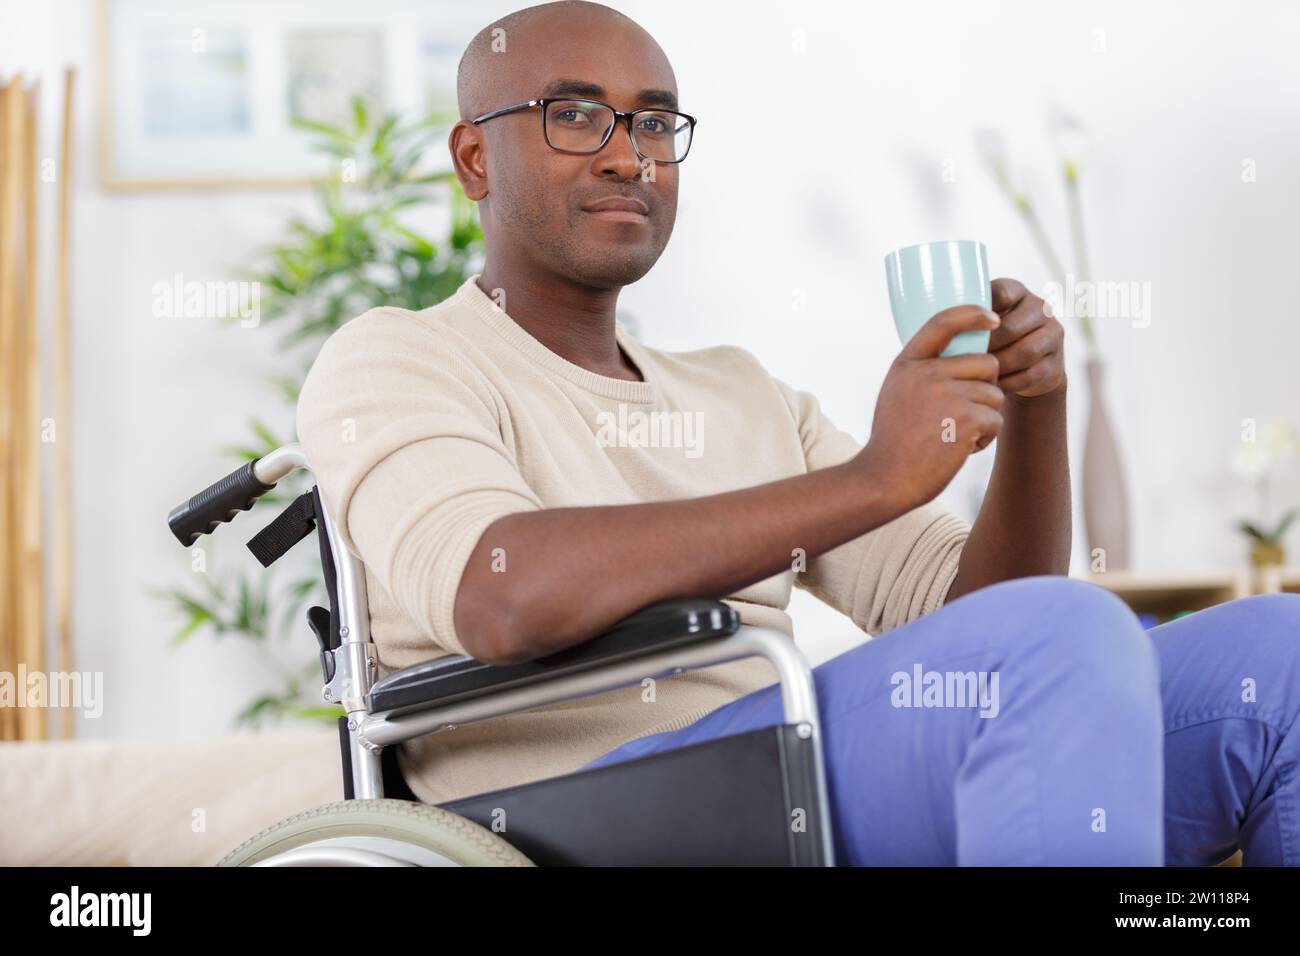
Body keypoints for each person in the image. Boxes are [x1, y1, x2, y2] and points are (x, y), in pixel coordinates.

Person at [296, 0, 1300, 865]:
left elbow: (984, 618)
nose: (626, 153)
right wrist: (873, 476)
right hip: (585, 804)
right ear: (475, 156)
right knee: (1058, 639)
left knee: (1281, 652)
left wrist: (1035, 412)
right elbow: (500, 593)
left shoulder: (743, 391)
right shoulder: (395, 357)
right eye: (573, 115)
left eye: (653, 123)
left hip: (773, 759)